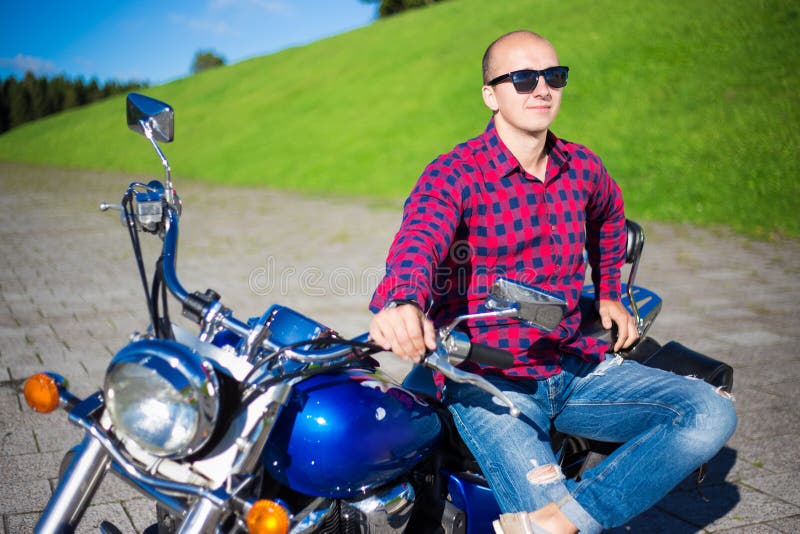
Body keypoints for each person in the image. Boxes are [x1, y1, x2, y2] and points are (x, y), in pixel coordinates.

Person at [368, 30, 737, 533]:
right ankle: (567, 517)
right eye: (522, 78)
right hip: (488, 380)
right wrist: (403, 300)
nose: (541, 89)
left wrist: (609, 290)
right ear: (490, 95)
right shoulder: (453, 173)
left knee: (709, 412)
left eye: (553, 76)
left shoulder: (581, 166)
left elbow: (609, 216)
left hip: (570, 365)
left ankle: (562, 521)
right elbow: (420, 236)